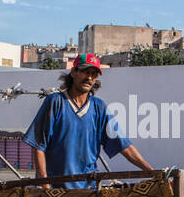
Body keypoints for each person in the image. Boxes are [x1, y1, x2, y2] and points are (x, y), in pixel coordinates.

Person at [24, 53, 151, 188]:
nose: (89, 78)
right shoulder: (55, 102)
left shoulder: (99, 107)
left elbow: (124, 146)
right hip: (56, 191)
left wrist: (152, 173)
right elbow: (38, 146)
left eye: (94, 74)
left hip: (88, 190)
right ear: (74, 72)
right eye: (85, 71)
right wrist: (45, 187)